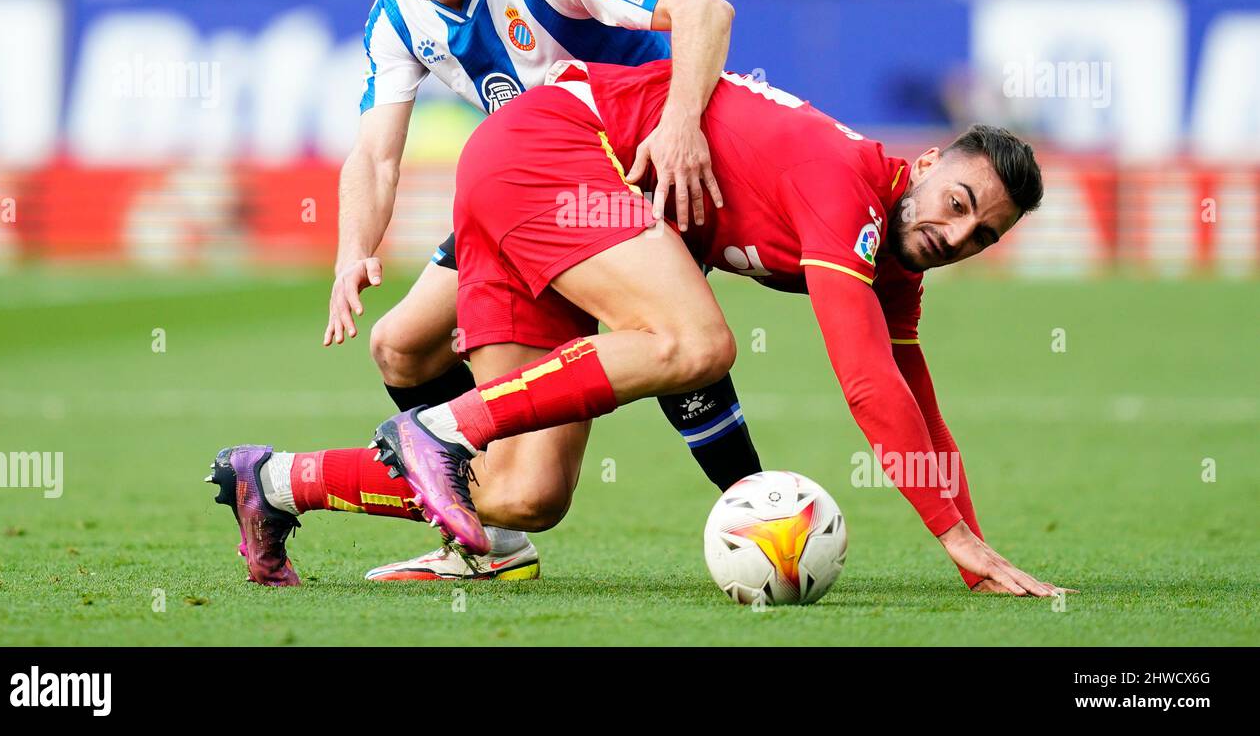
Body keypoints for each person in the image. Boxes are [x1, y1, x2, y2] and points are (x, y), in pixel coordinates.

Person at [214, 58, 1069, 596]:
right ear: (924, 165)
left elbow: (917, 400)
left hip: (581, 208)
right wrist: (945, 531)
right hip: (553, 153)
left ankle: (279, 481)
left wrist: (973, 550)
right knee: (696, 338)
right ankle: (440, 428)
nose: (957, 237)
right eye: (959, 205)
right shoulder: (843, 186)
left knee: (526, 497)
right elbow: (865, 382)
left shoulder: (894, 258)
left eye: (981, 237)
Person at [318, 0, 762, 580]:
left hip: (636, 172)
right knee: (401, 344)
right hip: (531, 190)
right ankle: (483, 533)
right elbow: (373, 154)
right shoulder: (396, 19)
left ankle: (757, 506)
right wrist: (351, 252)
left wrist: (680, 124)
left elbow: (701, 8)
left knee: (657, 332)